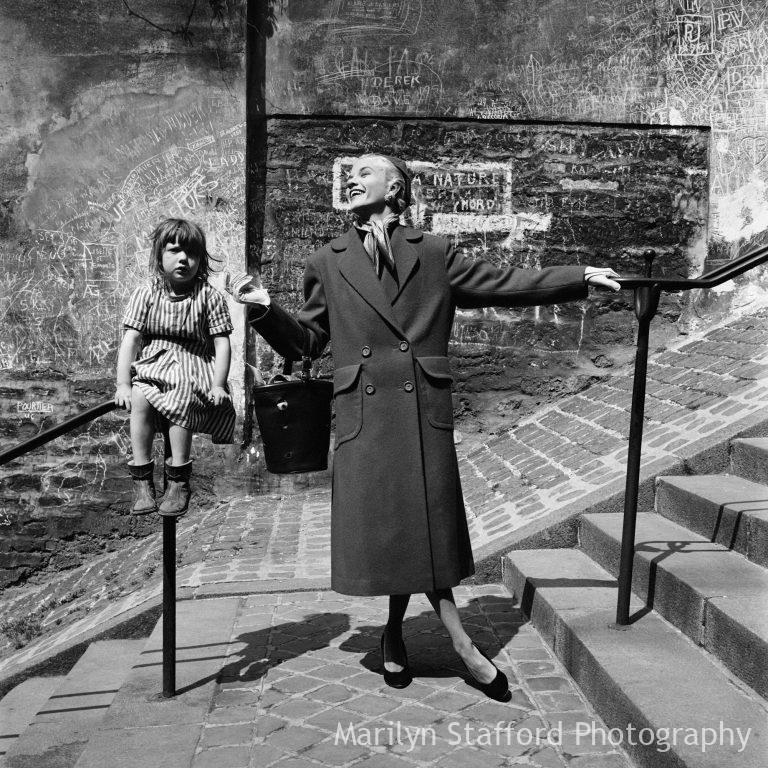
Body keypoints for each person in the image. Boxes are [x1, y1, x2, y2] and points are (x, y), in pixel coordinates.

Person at [227, 154, 620, 700]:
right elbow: (310, 344)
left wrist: (577, 278)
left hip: (420, 408)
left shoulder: (432, 252)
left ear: (395, 187)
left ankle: (398, 635)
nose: (353, 178)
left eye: (366, 171)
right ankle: (459, 645)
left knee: (420, 527)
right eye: (351, 172)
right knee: (399, 529)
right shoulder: (328, 260)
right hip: (365, 417)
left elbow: (504, 281)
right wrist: (266, 309)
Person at [115, 218, 236, 517]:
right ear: (160, 256)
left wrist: (219, 384)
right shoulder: (147, 293)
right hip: (153, 363)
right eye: (175, 251)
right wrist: (122, 384)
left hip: (194, 364)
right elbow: (131, 340)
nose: (184, 259)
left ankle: (178, 479)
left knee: (181, 392)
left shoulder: (209, 297)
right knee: (141, 395)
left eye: (192, 253)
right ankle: (142, 480)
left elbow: (222, 343)